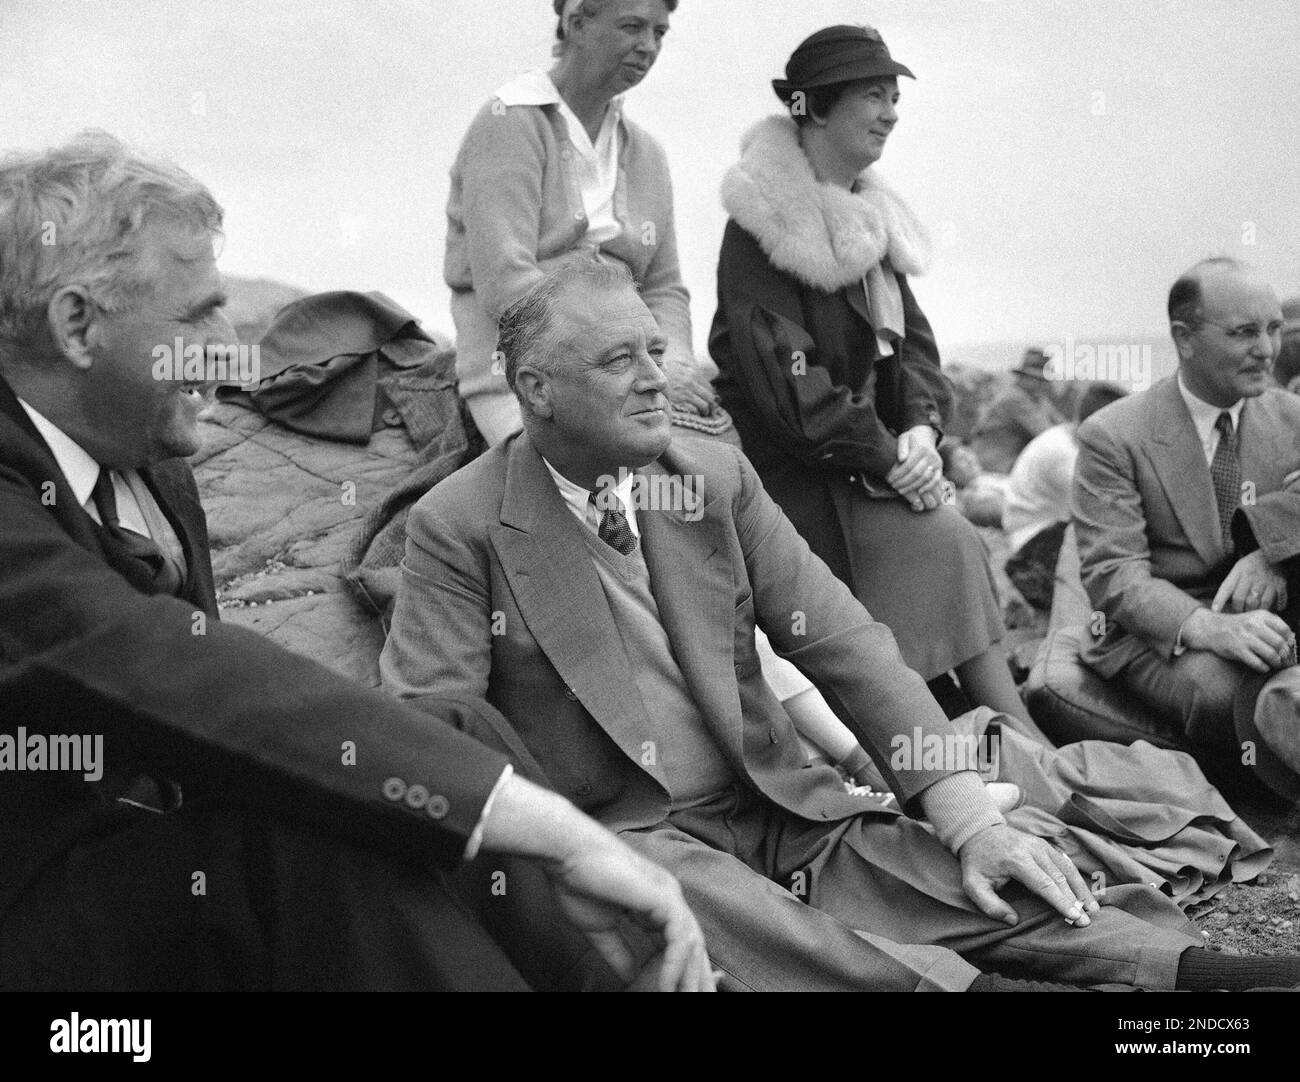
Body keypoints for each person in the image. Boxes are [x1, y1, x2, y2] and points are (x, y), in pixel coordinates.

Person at [381, 257, 1300, 991]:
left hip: (777, 808)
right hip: (630, 833)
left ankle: (1188, 973)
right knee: (719, 910)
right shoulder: (459, 525)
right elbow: (433, 726)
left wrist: (965, 812)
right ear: (535, 389)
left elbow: (847, 645)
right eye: (620, 362)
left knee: (968, 866)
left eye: (657, 351)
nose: (659, 381)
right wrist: (551, 857)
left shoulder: (708, 478)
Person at [0, 133, 714, 992]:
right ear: (77, 323)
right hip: (36, 910)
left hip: (147, 858)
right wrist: (557, 830)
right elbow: (169, 670)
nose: (231, 351)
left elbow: (222, 720)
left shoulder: (150, 462)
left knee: (460, 732)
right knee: (294, 842)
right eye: (196, 317)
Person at [707, 25, 1031, 727]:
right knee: (944, 536)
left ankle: (991, 718)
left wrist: (919, 431)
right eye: (872, 97)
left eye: (893, 98)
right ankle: (957, 720)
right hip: (791, 475)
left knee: (954, 535)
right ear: (815, 109)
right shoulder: (762, 229)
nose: (890, 113)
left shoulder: (869, 220)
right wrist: (891, 460)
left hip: (865, 461)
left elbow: (914, 351)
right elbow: (793, 393)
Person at [1073, 258, 1300, 798]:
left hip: (1278, 609)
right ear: (1184, 337)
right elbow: (1113, 575)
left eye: (1273, 329)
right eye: (1244, 332)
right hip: (1162, 631)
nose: (1266, 349)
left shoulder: (1291, 416)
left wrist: (1269, 549)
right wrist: (1209, 627)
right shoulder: (1113, 435)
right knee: (1231, 694)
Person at [444, 0, 716, 446]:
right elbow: (505, 283)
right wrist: (624, 358)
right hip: (526, 367)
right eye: (632, 26)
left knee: (716, 468)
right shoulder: (510, 122)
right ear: (576, 24)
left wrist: (675, 364)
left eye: (659, 33)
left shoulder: (646, 153)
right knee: (595, 472)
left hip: (635, 367)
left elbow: (664, 286)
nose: (648, 46)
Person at [1002, 382, 1126, 610]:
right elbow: (1104, 515)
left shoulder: (1069, 438)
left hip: (1041, 536)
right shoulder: (1066, 456)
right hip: (1031, 551)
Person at [971, 348, 1066, 474]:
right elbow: (1045, 434)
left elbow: (1062, 425)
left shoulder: (1036, 398)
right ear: (1023, 377)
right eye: (1035, 379)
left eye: (1042, 380)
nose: (1041, 384)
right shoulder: (1014, 399)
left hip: (1012, 463)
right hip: (997, 465)